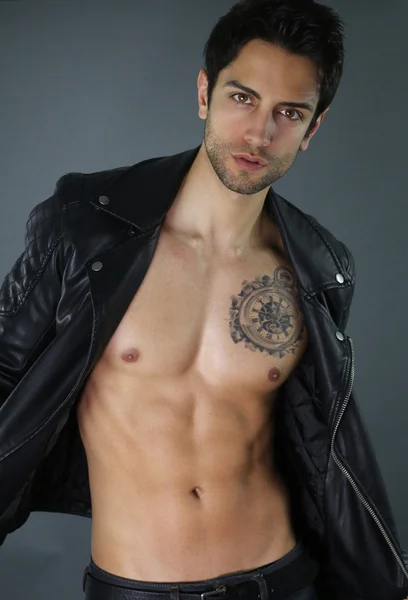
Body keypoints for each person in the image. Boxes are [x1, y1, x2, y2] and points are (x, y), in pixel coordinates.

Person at [0, 0, 407, 598]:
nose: (259, 134)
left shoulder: (320, 268)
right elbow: (5, 369)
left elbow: (319, 443)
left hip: (282, 580)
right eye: (243, 98)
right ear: (204, 93)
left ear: (313, 128)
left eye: (289, 113)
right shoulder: (87, 226)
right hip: (137, 586)